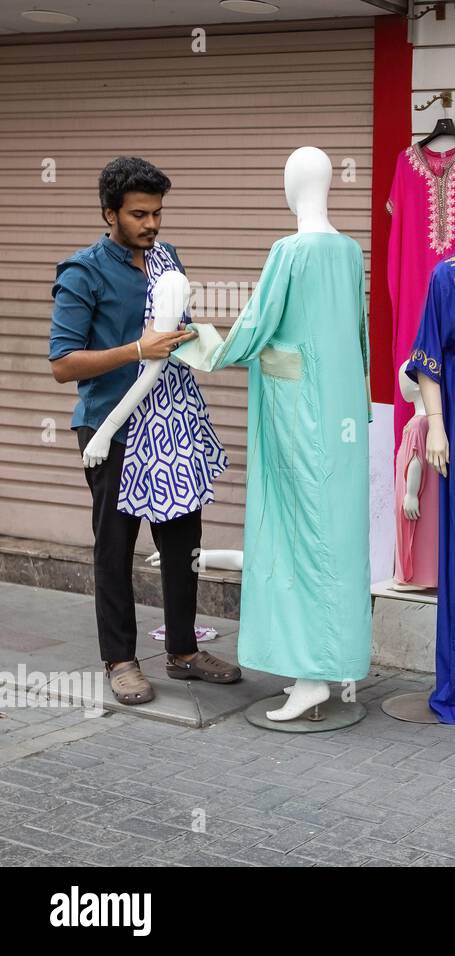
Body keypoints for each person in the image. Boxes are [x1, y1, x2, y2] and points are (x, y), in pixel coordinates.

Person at [48, 156, 240, 706]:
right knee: (115, 548)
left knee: (184, 546)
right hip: (111, 430)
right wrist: (136, 350)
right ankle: (121, 660)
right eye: (138, 214)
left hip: (171, 427)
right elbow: (62, 363)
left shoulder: (165, 258)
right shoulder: (82, 272)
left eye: (157, 212)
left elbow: (172, 329)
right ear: (109, 212)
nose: (151, 224)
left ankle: (183, 651)